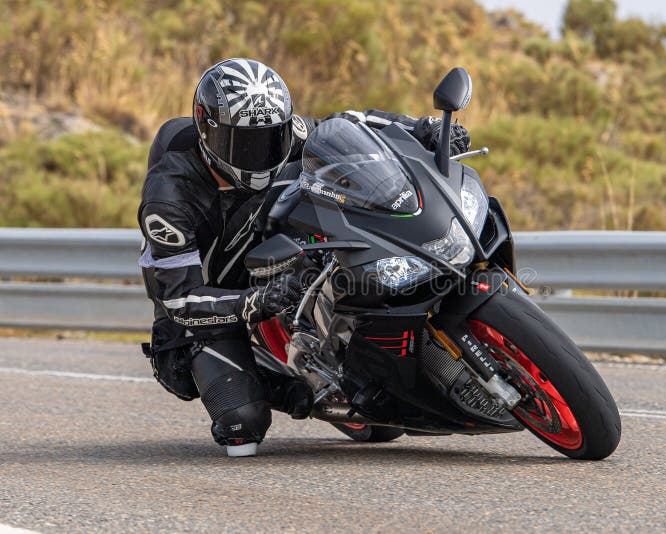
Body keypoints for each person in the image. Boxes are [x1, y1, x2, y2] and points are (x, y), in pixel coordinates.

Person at [138, 58, 471, 457]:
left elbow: (346, 125)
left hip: (268, 253)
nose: (260, 155)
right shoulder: (168, 199)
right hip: (209, 299)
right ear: (207, 130)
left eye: (271, 139)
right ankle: (287, 385)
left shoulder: (288, 133)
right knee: (243, 424)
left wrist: (421, 128)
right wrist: (251, 303)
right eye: (244, 145)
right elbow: (178, 299)